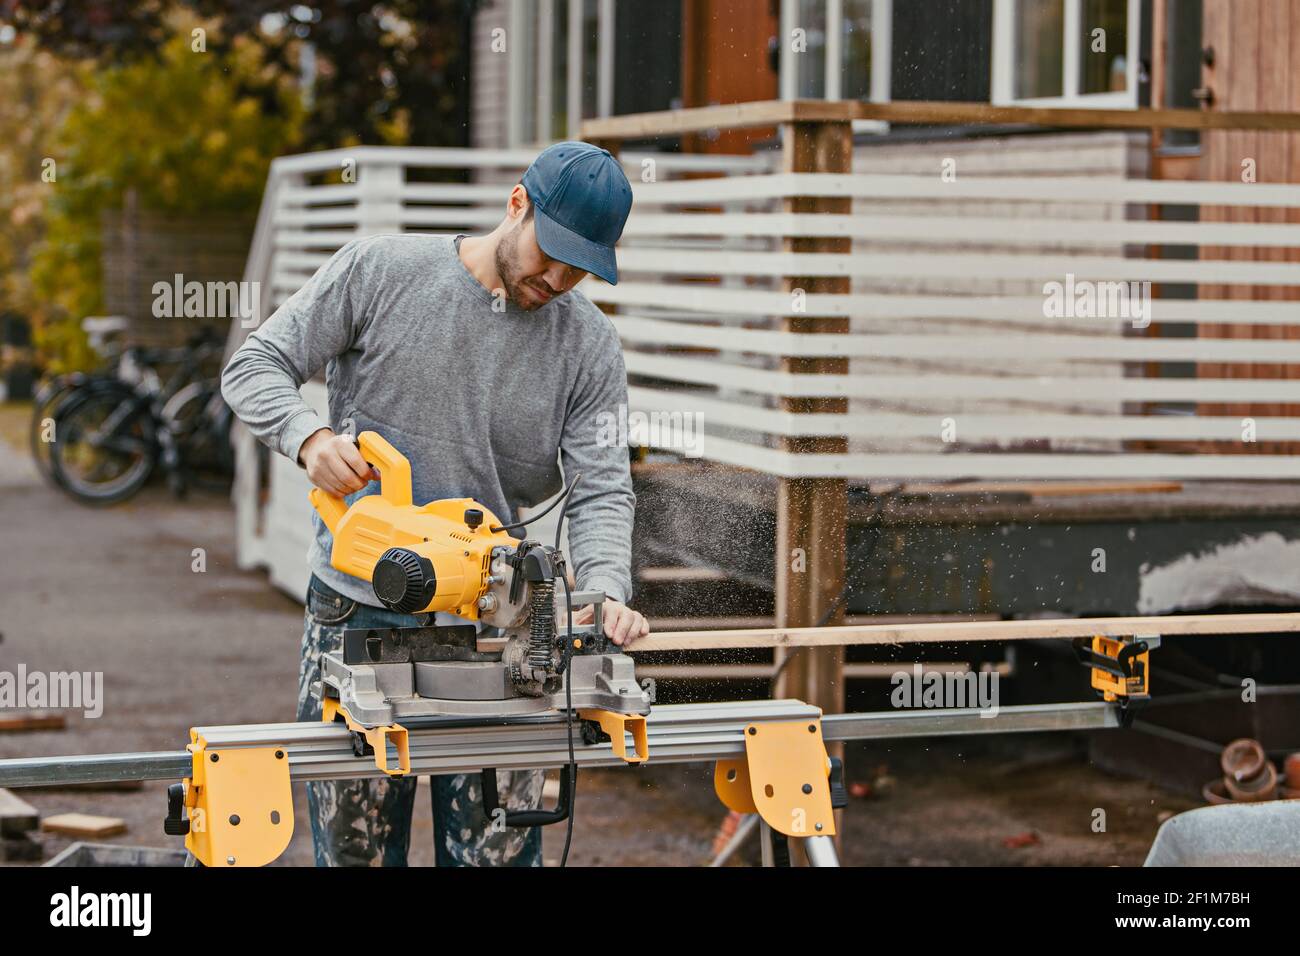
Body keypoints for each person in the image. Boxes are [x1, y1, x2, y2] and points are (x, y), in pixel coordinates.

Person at [221, 141, 649, 866]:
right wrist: (308, 436)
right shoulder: (380, 271)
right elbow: (254, 363)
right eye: (553, 253)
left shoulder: (589, 347)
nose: (560, 278)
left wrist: (605, 588)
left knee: (497, 857)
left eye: (582, 267)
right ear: (518, 204)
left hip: (507, 618)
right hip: (359, 606)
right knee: (357, 855)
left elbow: (603, 485)